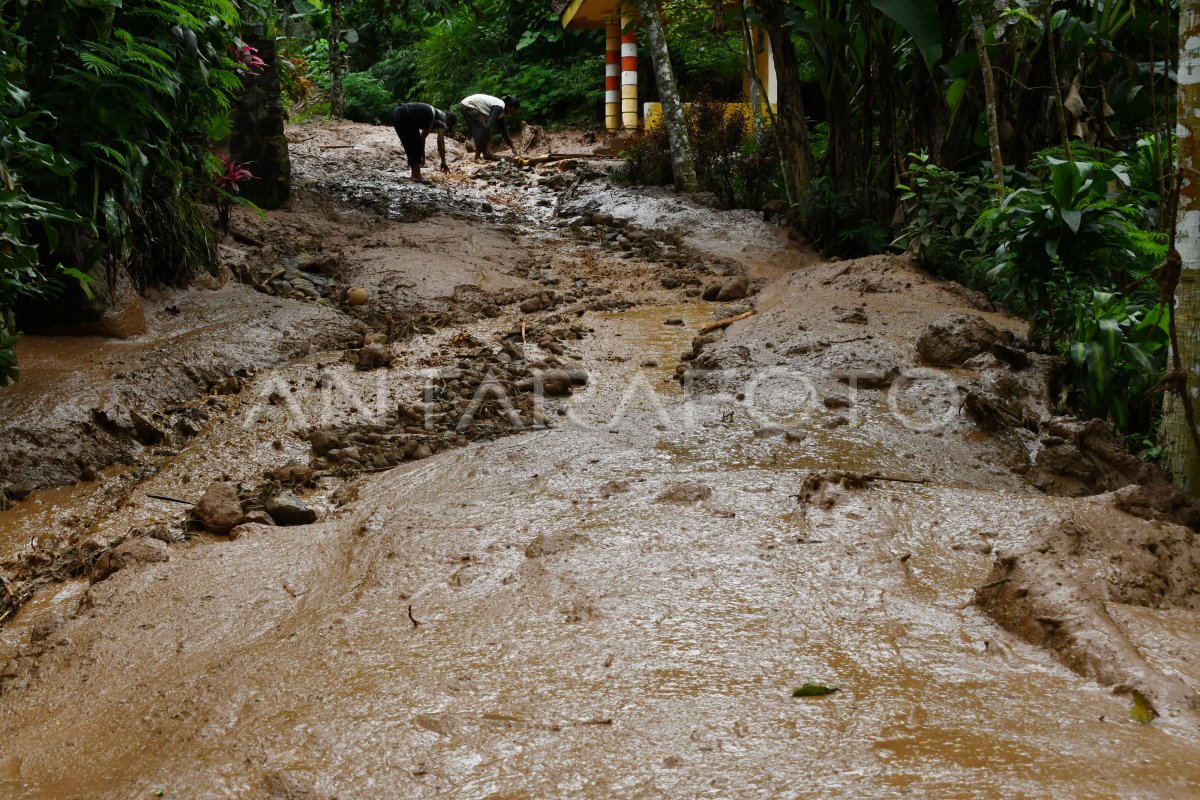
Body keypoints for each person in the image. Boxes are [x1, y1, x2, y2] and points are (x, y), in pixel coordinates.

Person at [391, 102, 456, 183]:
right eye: (448, 125)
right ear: (449, 119)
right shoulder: (442, 117)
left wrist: (423, 156)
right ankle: (417, 176)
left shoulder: (433, 115)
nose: (445, 126)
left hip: (397, 113)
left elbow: (422, 138)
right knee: (415, 143)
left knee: (409, 145)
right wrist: (443, 161)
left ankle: (414, 174)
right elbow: (440, 141)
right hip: (407, 114)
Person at [457, 94, 519, 161]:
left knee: (483, 130)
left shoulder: (501, 110)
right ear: (509, 106)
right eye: (512, 110)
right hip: (468, 105)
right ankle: (477, 156)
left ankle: (484, 154)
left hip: (466, 105)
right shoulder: (500, 106)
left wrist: (512, 147)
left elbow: (503, 129)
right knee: (481, 130)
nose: (511, 113)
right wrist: (488, 141)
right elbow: (490, 126)